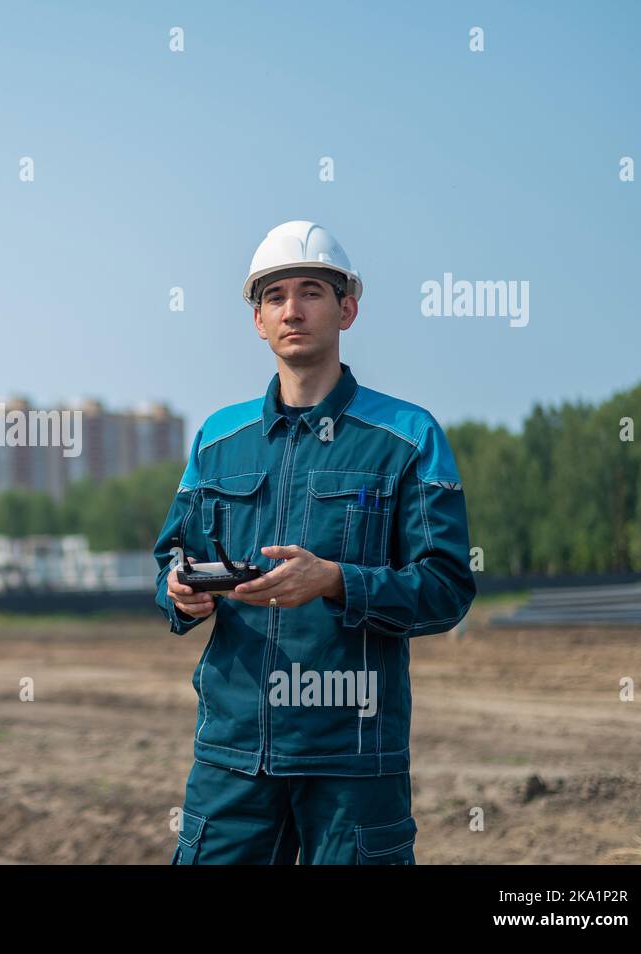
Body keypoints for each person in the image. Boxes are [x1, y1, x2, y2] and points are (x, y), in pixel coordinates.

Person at [153, 220, 477, 864]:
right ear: (258, 320)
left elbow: (446, 588)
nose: (292, 310)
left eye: (311, 292)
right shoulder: (218, 440)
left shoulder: (408, 436)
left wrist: (334, 580)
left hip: (354, 761)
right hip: (233, 758)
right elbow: (172, 556)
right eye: (274, 297)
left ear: (347, 308)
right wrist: (176, 591)